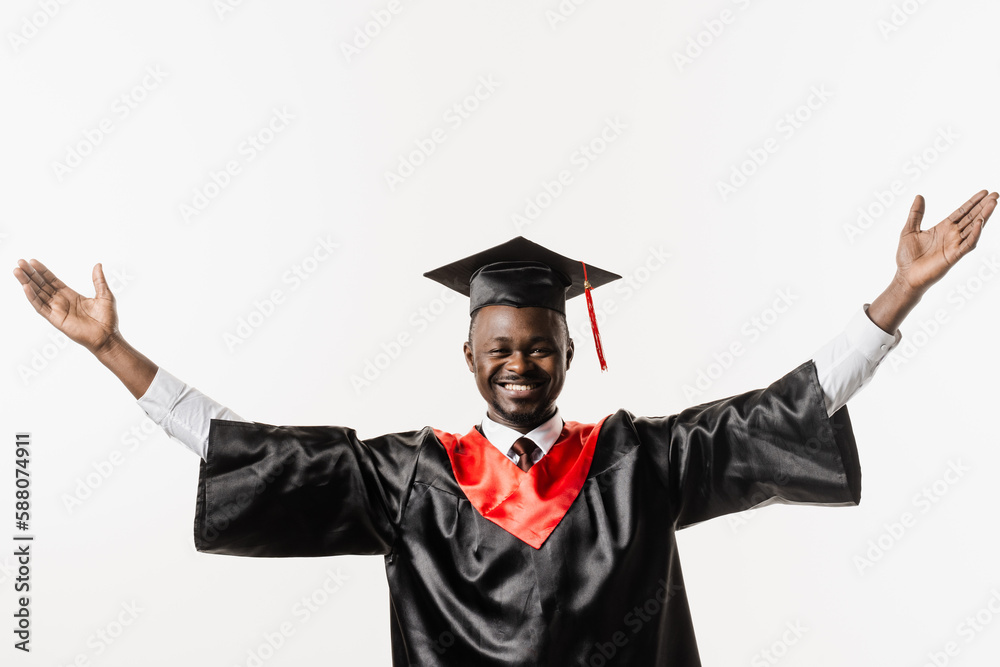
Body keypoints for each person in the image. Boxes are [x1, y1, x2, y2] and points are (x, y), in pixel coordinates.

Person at [13, 190, 997, 666]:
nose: (519, 362)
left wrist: (897, 292)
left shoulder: (638, 462)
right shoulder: (410, 479)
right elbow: (251, 452)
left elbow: (785, 410)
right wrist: (114, 351)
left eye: (538, 346)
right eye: (500, 346)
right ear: (469, 356)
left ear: (568, 355)